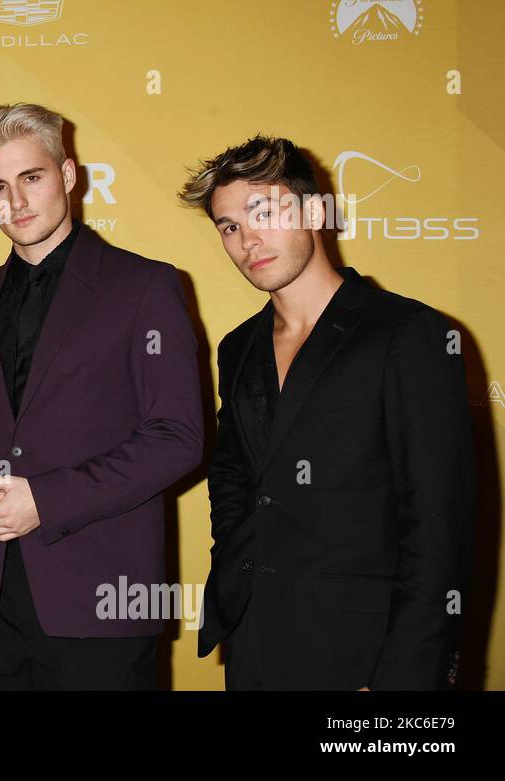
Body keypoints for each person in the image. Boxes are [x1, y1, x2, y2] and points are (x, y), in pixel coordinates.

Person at [180, 135, 474, 689]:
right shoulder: (238, 347)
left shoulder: (409, 335)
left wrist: (403, 679)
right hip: (256, 643)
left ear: (315, 211)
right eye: (228, 226)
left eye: (263, 211)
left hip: (365, 655)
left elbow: (438, 527)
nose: (248, 239)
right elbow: (234, 476)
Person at [0, 103, 204, 689]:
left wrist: (47, 500)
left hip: (103, 605)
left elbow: (177, 438)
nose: (16, 201)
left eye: (31, 178)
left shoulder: (144, 286)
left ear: (66, 174)